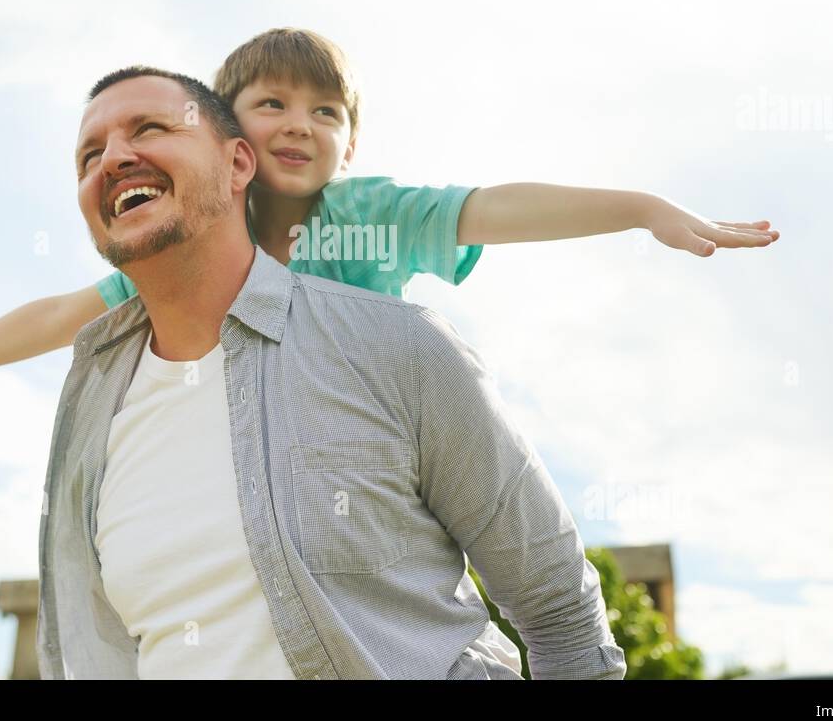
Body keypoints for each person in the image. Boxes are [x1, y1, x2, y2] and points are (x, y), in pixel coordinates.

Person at [37, 64, 626, 679]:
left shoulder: (401, 347)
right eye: (89, 156)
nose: (114, 159)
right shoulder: (89, 415)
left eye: (151, 129)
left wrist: (642, 211)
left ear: (239, 164)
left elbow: (562, 614)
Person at [0, 28, 777, 394]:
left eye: (327, 112)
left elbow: (498, 207)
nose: (302, 124)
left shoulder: (370, 209)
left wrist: (642, 208)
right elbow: (66, 313)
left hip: (382, 416)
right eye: (273, 104)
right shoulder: (201, 239)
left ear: (351, 141)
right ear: (228, 138)